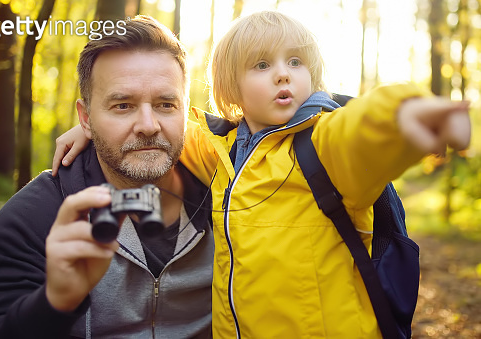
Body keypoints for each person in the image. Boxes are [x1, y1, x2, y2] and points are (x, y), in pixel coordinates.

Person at [53, 11, 471, 338]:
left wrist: (408, 115)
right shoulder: (222, 152)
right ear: (231, 88)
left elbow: (361, 132)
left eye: (295, 61)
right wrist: (98, 123)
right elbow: (168, 127)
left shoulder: (322, 144)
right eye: (261, 64)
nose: (283, 73)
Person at [0, 15, 214, 339]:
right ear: (85, 118)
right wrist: (54, 302)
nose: (148, 125)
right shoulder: (33, 218)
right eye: (123, 105)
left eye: (165, 104)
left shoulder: (232, 195)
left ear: (187, 112)